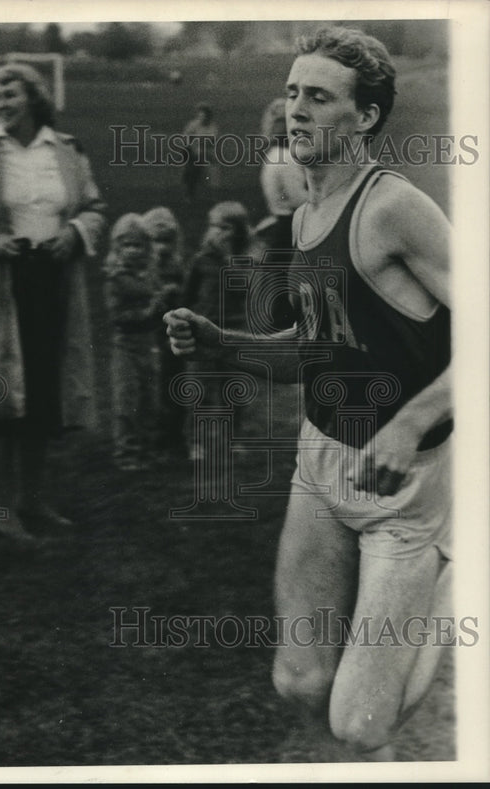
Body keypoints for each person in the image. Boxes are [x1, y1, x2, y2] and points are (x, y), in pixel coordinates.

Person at [164, 26, 452, 761]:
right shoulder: (302, 217)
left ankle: (454, 581)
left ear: (365, 118)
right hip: (319, 464)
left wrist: (411, 421)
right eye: (292, 92)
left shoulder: (393, 209)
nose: (296, 110)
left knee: (359, 724)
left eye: (319, 97)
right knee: (299, 682)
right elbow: (310, 352)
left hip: (407, 482)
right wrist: (224, 343)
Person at [0, 62, 107, 541]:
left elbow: (94, 207)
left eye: (10, 93)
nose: (1, 102)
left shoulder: (65, 150)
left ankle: (33, 501)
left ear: (34, 98)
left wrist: (76, 234)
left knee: (42, 393)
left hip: (53, 282)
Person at [105, 214, 176, 471]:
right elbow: (117, 316)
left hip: (149, 344)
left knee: (150, 399)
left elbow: (158, 304)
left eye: (138, 245)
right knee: (127, 400)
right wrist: (147, 311)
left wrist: (162, 299)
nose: (133, 251)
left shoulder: (149, 274)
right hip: (126, 346)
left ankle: (147, 449)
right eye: (127, 246)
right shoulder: (116, 278)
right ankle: (127, 452)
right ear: (117, 248)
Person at [183, 202, 251, 460]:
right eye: (214, 226)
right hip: (203, 331)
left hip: (233, 332)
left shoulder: (244, 258)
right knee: (199, 390)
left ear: (239, 231)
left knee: (233, 389)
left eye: (226, 227)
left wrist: (226, 259)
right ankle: (195, 442)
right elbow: (188, 294)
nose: (218, 232)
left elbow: (244, 286)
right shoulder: (201, 260)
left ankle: (234, 439)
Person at [143, 207, 187, 459]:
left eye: (167, 241)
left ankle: (173, 437)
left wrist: (177, 292)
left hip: (171, 338)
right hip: (148, 337)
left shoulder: (177, 266)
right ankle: (151, 436)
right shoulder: (141, 268)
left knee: (172, 386)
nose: (162, 247)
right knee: (150, 387)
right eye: (155, 241)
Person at [259, 96, 309, 246]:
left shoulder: (273, 155)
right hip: (289, 226)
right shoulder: (286, 158)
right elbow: (298, 199)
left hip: (280, 220)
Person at [182, 102, 220, 200]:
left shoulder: (212, 127)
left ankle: (212, 197)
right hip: (194, 152)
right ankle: (190, 195)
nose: (202, 117)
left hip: (207, 153)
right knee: (191, 173)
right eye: (200, 115)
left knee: (213, 174)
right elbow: (185, 138)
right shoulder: (193, 125)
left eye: (205, 115)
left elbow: (211, 142)